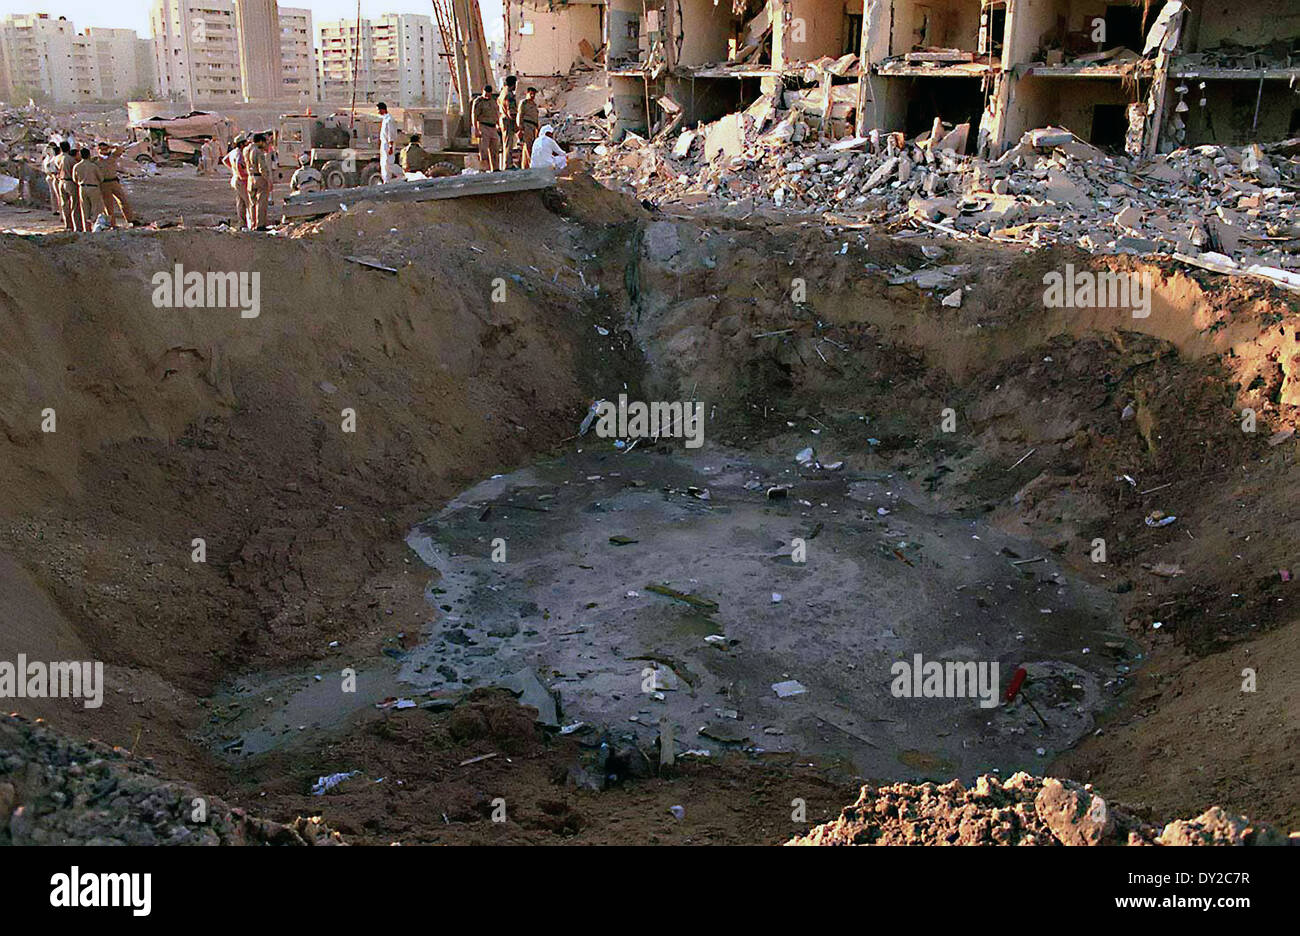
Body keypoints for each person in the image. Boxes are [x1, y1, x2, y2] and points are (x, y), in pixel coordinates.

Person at [96, 140, 136, 228]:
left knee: (123, 201)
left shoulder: (112, 157)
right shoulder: (96, 160)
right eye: (101, 149)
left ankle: (130, 220)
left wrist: (111, 146)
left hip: (114, 181)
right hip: (104, 183)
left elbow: (120, 149)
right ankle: (112, 224)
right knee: (108, 205)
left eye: (105, 149)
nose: (103, 151)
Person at [71, 147, 104, 232]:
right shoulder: (93, 166)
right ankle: (96, 228)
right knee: (95, 208)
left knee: (85, 209)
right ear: (89, 155)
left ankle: (87, 229)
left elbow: (74, 179)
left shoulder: (76, 166)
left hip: (82, 188)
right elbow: (101, 178)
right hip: (93, 187)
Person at [246, 133, 273, 230]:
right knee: (261, 203)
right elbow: (262, 168)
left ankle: (253, 224)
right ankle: (260, 225)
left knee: (252, 203)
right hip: (259, 178)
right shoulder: (258, 151)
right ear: (260, 141)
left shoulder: (246, 150)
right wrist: (268, 181)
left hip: (250, 178)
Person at [471, 85, 500, 171]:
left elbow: (496, 113)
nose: (487, 95)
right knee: (483, 150)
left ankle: (495, 168)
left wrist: (498, 124)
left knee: (494, 149)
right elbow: (474, 116)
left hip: (493, 127)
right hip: (483, 126)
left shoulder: (493, 101)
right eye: (485, 93)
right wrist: (476, 129)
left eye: (488, 93)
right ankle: (483, 168)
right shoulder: (479, 101)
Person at [224, 135, 250, 229]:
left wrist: (232, 169)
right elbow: (239, 164)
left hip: (235, 179)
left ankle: (242, 224)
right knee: (248, 202)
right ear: (242, 144)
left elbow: (225, 160)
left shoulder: (233, 152)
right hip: (241, 180)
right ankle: (251, 223)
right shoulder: (240, 153)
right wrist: (242, 175)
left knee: (241, 203)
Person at [55, 140, 79, 231]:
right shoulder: (70, 159)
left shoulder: (57, 158)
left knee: (64, 205)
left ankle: (67, 225)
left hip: (61, 181)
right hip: (70, 182)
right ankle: (76, 226)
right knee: (74, 205)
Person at [498, 75, 519, 169]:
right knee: (509, 143)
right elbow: (511, 111)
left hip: (503, 119)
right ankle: (508, 165)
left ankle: (506, 163)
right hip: (508, 120)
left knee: (506, 143)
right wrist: (515, 123)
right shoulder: (509, 94)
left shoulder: (502, 92)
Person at [518, 87, 541, 169]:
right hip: (526, 125)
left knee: (528, 146)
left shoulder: (534, 105)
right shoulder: (524, 103)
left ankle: (525, 165)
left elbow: (536, 117)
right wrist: (520, 128)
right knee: (528, 145)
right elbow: (520, 115)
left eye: (534, 94)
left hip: (533, 126)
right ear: (527, 93)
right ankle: (531, 164)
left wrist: (538, 128)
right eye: (531, 94)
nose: (532, 95)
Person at [377, 101, 398, 183]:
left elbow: (391, 133)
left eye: (378, 110)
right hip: (384, 144)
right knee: (384, 164)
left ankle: (400, 175)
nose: (378, 112)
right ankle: (386, 180)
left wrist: (390, 146)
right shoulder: (385, 119)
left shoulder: (389, 119)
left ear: (382, 109)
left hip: (388, 145)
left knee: (388, 163)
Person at [43, 142, 61, 216]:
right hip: (53, 177)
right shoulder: (51, 159)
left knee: (54, 194)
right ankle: (57, 209)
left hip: (51, 177)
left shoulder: (48, 159)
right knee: (56, 194)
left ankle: (56, 209)